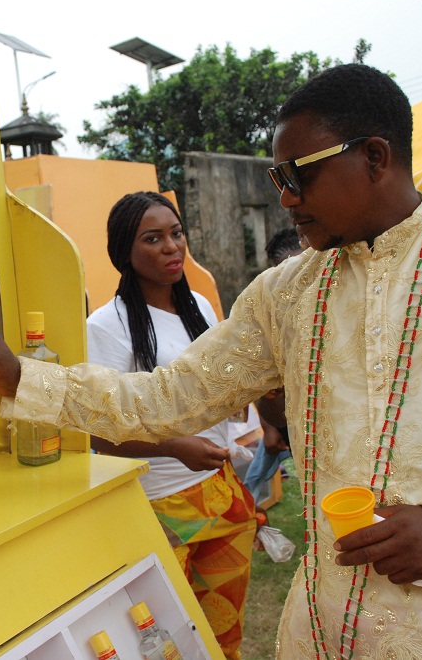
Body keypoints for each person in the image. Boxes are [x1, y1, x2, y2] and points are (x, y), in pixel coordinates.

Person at [0, 64, 422, 657]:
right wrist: (20, 375)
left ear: (375, 157)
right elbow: (168, 398)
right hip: (327, 628)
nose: (286, 197)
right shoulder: (283, 295)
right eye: (277, 178)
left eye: (299, 175)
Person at [86, 191, 255, 659]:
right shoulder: (106, 326)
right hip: (157, 507)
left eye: (176, 233)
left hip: (220, 495)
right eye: (153, 239)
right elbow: (98, 433)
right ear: (125, 252)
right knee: (168, 641)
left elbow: (215, 382)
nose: (171, 247)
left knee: (223, 630)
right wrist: (174, 446)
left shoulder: (199, 305)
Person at [241, 228, 302, 507]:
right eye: (282, 273)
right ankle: (247, 510)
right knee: (253, 481)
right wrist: (268, 428)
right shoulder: (273, 319)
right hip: (286, 425)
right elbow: (259, 378)